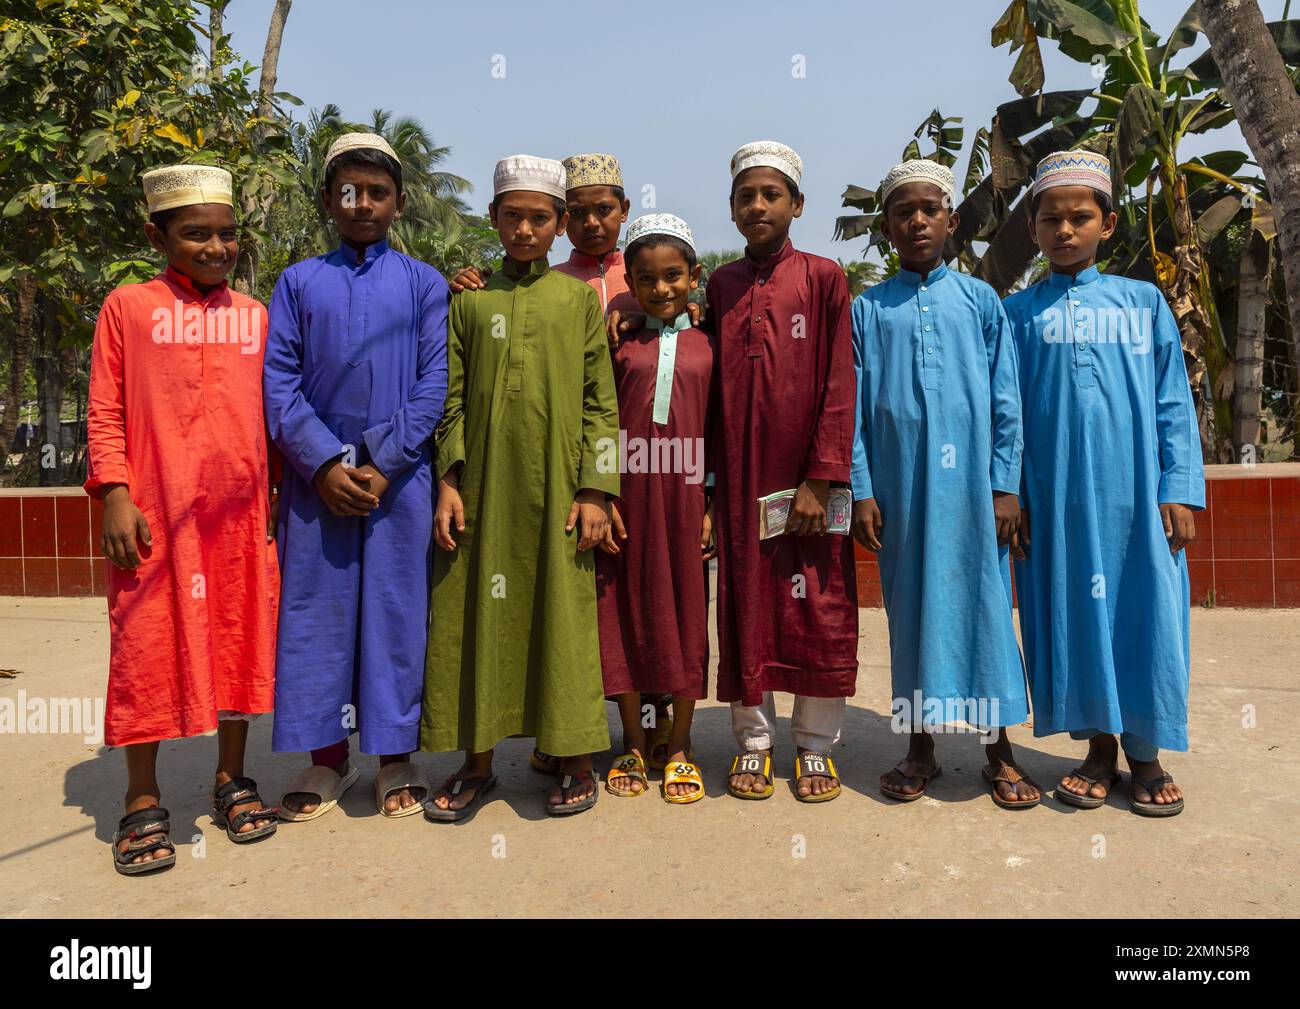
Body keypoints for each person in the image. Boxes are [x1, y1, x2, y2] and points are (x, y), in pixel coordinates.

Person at [86, 164, 279, 874]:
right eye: (195, 234)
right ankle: (141, 796)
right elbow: (105, 408)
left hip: (238, 513)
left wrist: (276, 494)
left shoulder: (254, 316)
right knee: (145, 645)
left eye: (226, 234)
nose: (215, 246)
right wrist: (112, 491)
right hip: (153, 513)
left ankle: (231, 776)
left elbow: (274, 414)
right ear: (156, 234)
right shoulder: (127, 308)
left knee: (237, 639)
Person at [1003, 151, 1204, 817]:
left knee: (1144, 613)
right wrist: (1010, 491)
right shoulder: (1016, 314)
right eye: (1050, 219)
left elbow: (1173, 401)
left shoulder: (1141, 302)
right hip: (1054, 502)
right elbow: (1005, 411)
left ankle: (1144, 753)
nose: (1065, 229)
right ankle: (1095, 749)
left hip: (1137, 499)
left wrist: (1178, 485)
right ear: (1032, 227)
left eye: (1079, 217)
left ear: (1108, 223)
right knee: (1071, 615)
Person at [421, 155, 619, 820]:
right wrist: (448, 480)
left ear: (561, 224)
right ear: (494, 219)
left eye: (540, 217)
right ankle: (477, 763)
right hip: (483, 491)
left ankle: (575, 755)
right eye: (514, 216)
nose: (526, 229)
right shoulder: (469, 299)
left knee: (563, 616)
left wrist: (597, 489)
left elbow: (602, 402)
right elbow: (448, 399)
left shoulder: (576, 301)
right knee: (476, 614)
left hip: (560, 487)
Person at [263, 132, 448, 820]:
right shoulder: (298, 282)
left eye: (376, 191)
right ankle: (326, 759)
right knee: (318, 613)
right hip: (320, 486)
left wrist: (380, 460)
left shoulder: (425, 284)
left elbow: (434, 384)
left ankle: (395, 756)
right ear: (326, 200)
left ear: (398, 203)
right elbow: (279, 382)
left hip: (398, 482)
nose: (362, 202)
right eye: (349, 191)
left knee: (397, 613)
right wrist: (324, 462)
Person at [851, 159, 1038, 809]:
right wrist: (862, 488)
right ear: (888, 225)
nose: (917, 219)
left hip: (973, 496)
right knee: (911, 617)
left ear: (951, 220)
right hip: (900, 493)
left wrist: (1005, 487)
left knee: (985, 612)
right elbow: (850, 409)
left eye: (930, 208)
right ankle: (921, 746)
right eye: (903, 210)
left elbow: (1005, 401)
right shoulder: (868, 310)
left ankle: (998, 751)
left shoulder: (982, 301)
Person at [706, 141, 858, 803]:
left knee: (818, 605)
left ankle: (817, 748)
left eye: (772, 194)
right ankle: (754, 744)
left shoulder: (824, 278)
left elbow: (837, 381)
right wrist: (711, 492)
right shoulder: (721, 284)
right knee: (746, 604)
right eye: (747, 195)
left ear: (797, 204)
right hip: (741, 481)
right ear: (734, 209)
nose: (758, 205)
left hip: (809, 482)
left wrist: (821, 478)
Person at [596, 214, 714, 804]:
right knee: (624, 613)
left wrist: (711, 500)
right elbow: (598, 422)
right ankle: (635, 743)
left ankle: (683, 745)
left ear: (694, 277)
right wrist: (604, 493)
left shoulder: (707, 346)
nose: (662, 289)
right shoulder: (619, 344)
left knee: (687, 613)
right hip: (629, 497)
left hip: (687, 495)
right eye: (647, 280)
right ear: (632, 284)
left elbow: (716, 429)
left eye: (673, 277)